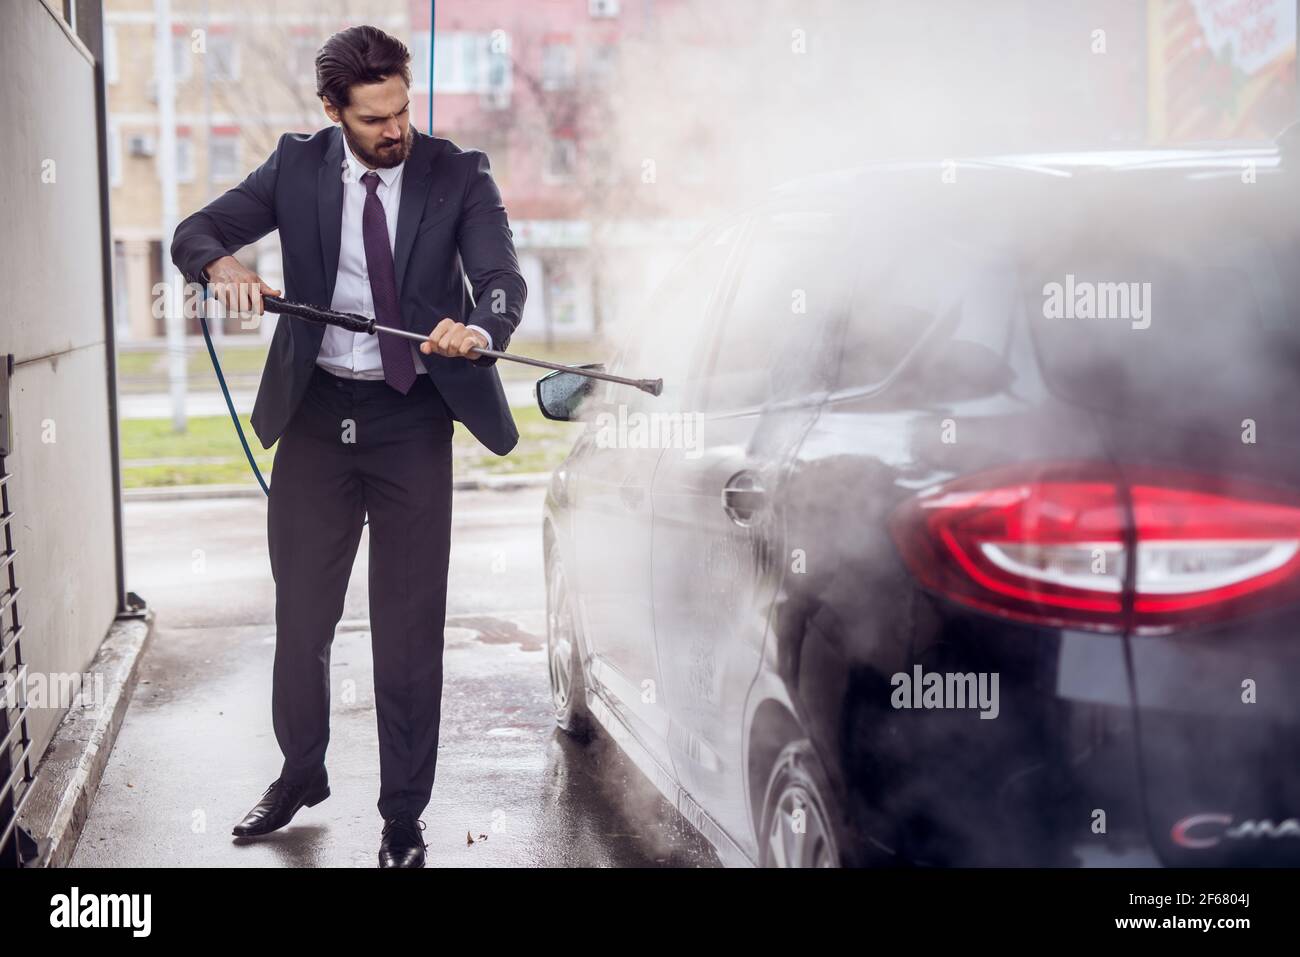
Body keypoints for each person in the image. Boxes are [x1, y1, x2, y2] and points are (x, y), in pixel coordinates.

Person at [170, 24, 526, 867]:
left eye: (402, 109)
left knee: (408, 630)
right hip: (317, 417)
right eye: (374, 119)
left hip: (412, 419)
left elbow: (504, 280)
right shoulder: (296, 167)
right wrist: (224, 269)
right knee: (302, 619)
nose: (395, 130)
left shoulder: (458, 172)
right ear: (333, 111)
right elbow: (193, 232)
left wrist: (479, 327)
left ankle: (403, 815)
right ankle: (299, 773)